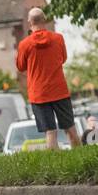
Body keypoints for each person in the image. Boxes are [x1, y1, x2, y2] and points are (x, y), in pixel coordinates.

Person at [15, 8, 81, 151]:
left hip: (39, 94)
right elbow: (63, 59)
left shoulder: (24, 44)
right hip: (59, 91)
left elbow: (20, 66)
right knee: (70, 129)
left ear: (29, 22)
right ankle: (81, 160)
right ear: (44, 20)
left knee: (50, 132)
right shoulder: (58, 39)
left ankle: (57, 167)